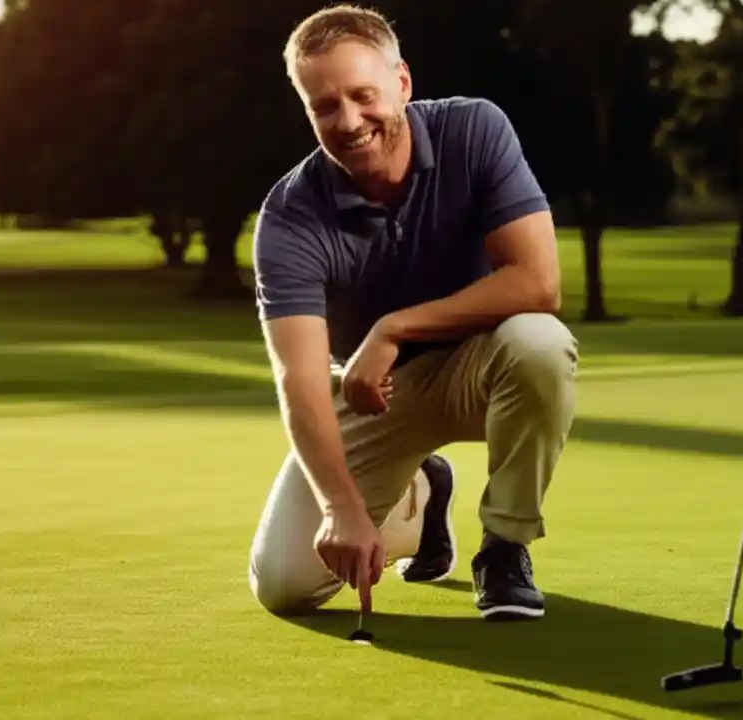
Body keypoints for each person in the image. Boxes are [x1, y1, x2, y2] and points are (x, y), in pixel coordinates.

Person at [246, 4, 578, 622]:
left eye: (363, 94)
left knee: (541, 343)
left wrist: (392, 328)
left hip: (483, 367)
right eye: (324, 106)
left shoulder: (475, 129)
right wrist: (341, 509)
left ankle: (505, 548)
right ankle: (422, 499)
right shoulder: (289, 216)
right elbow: (299, 381)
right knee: (284, 584)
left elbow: (538, 283)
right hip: (375, 396)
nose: (348, 120)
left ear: (402, 82)